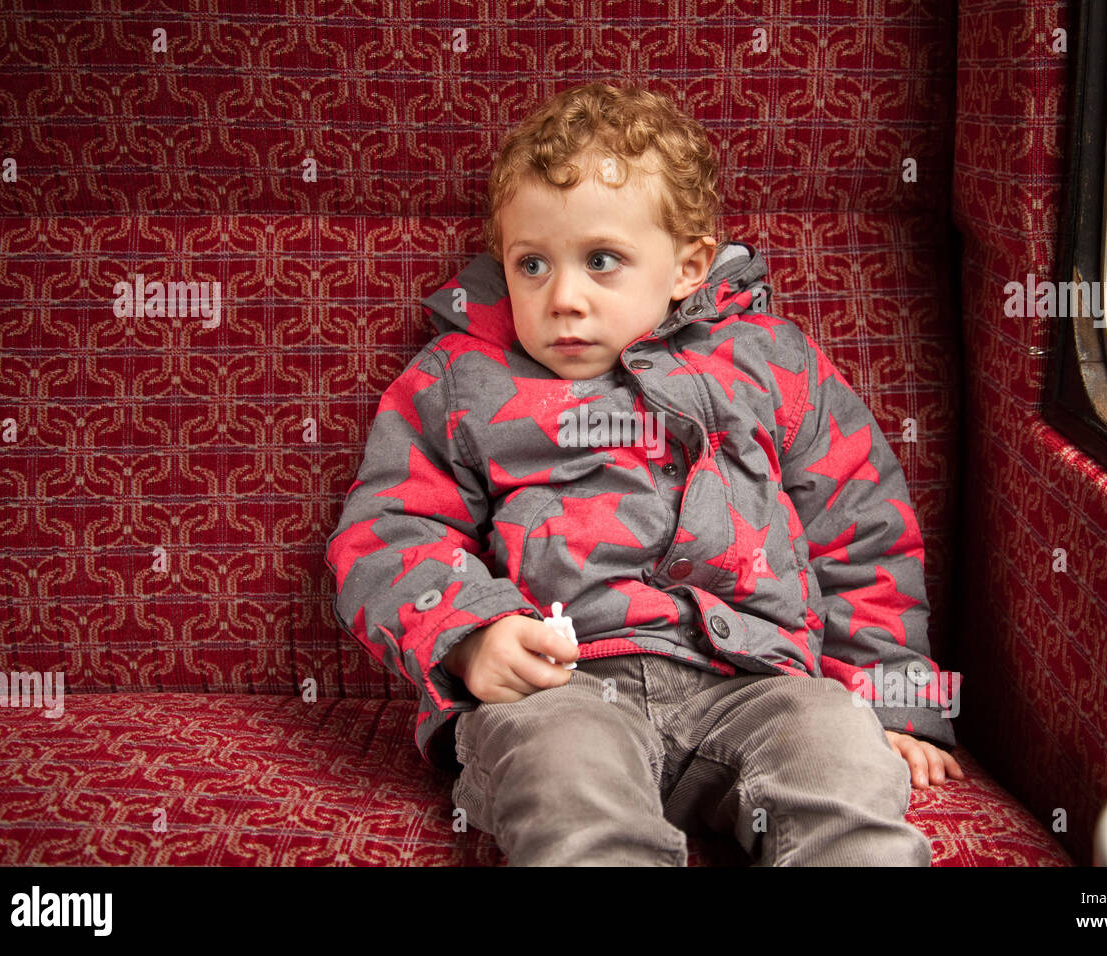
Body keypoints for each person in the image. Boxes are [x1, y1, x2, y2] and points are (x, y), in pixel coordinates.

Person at [326, 80, 963, 866]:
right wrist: (469, 637)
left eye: (602, 261)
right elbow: (390, 530)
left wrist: (894, 701)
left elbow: (860, 528)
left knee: (841, 760)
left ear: (687, 265)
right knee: (569, 796)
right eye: (531, 264)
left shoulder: (774, 363)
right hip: (561, 691)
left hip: (758, 682)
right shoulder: (460, 378)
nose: (563, 298)